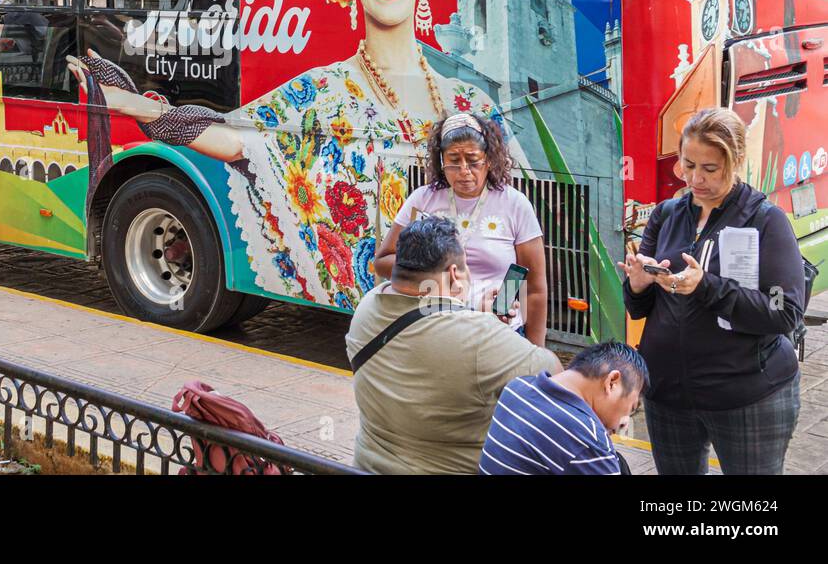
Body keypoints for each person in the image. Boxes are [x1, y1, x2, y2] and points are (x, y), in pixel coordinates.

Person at [68, 0, 522, 311]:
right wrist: (134, 104)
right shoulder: (318, 92)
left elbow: (526, 220)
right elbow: (235, 137)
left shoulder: (473, 103)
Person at [619, 107, 805, 475]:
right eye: (688, 165)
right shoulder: (666, 214)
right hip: (668, 395)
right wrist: (638, 284)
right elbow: (640, 308)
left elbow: (785, 312)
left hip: (746, 397)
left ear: (735, 162)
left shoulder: (766, 220)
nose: (695, 179)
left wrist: (706, 287)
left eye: (709, 169)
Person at [344, 215, 559, 474]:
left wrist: (475, 315)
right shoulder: (480, 337)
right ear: (454, 275)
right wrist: (487, 328)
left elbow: (428, 329)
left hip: (366, 467)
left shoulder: (367, 307)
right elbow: (554, 375)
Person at [376, 111, 548, 345]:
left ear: (489, 159)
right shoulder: (422, 200)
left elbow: (535, 289)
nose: (465, 170)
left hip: (496, 333)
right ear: (442, 162)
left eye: (473, 160)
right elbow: (383, 261)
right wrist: (432, 272)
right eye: (454, 161)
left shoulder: (515, 204)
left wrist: (537, 353)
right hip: (435, 329)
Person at [479, 341, 648, 475]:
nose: (625, 423)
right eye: (631, 408)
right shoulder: (588, 439)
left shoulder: (516, 387)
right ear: (612, 383)